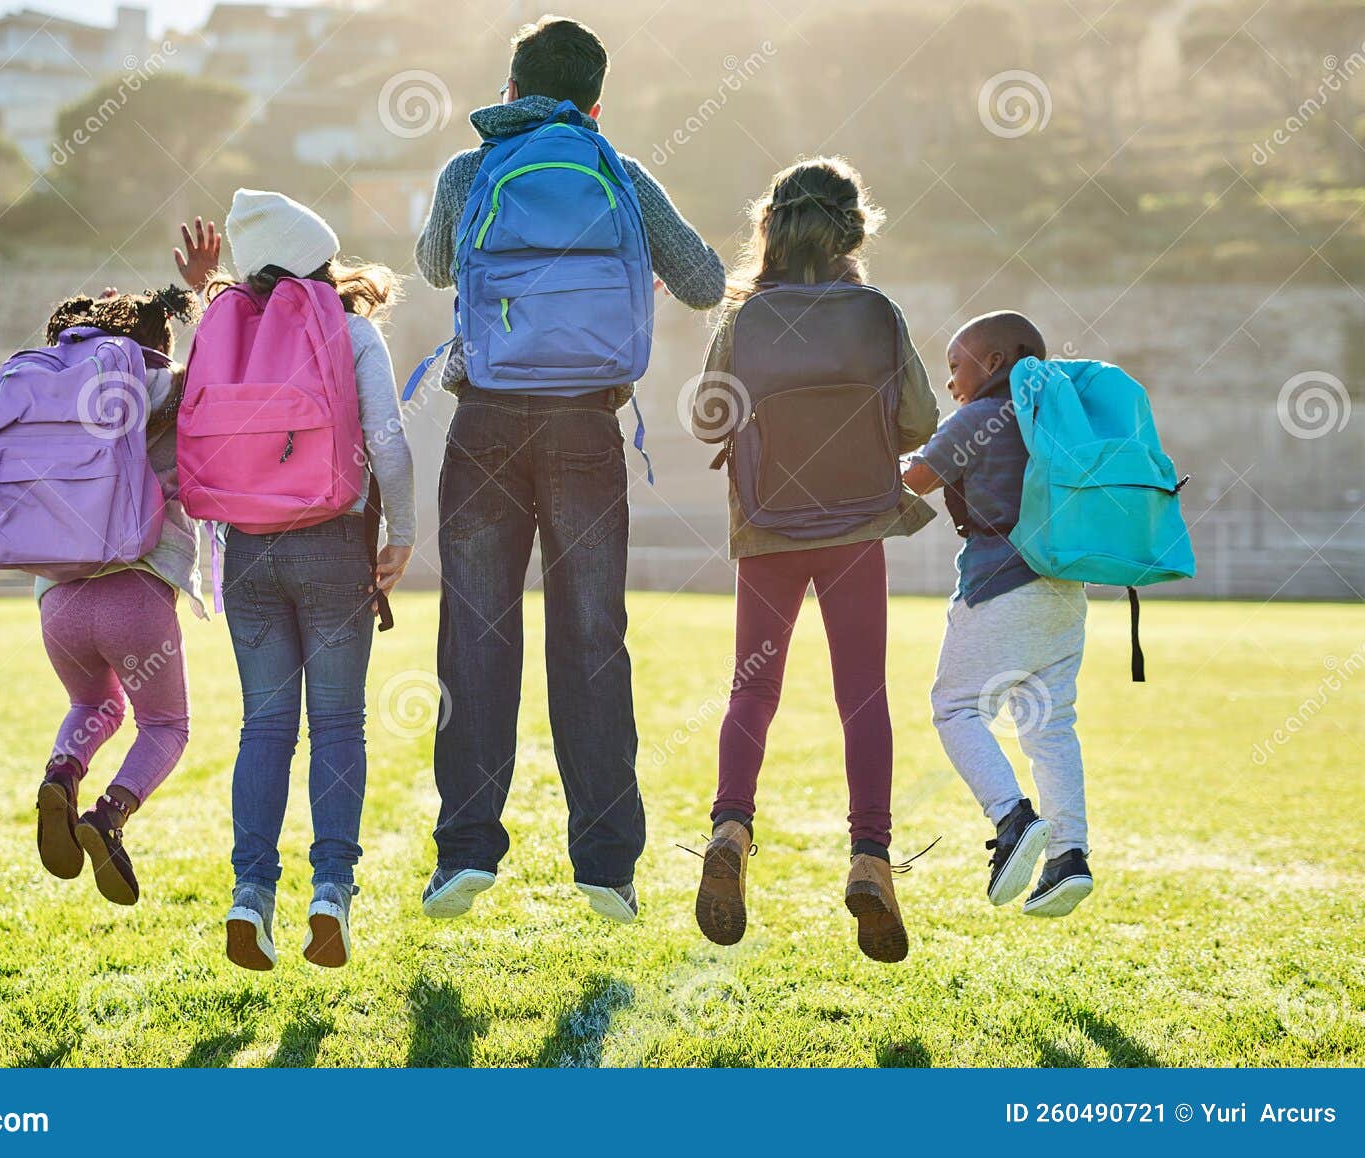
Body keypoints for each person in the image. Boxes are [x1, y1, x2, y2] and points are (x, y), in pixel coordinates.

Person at [412, 15, 725, 924]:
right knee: (592, 639)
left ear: (509, 90)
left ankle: (466, 853)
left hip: (486, 425)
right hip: (587, 428)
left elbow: (435, 268)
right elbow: (704, 282)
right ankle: (605, 866)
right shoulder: (621, 172)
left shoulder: (470, 171)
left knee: (474, 638)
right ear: (596, 101)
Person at [687, 157, 939, 962]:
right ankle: (870, 855)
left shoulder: (746, 319)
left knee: (752, 689)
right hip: (857, 527)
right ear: (853, 229)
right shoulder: (877, 314)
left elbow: (707, 420)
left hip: (767, 527)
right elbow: (917, 422)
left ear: (770, 227)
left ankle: (731, 826)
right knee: (862, 696)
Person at [175, 196, 416, 969]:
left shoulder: (226, 326)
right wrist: (403, 534)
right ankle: (330, 892)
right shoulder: (349, 329)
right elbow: (391, 446)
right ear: (323, 251)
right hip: (332, 545)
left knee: (264, 731)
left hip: (246, 554)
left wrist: (201, 290)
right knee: (340, 726)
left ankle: (251, 896)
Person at [902, 311, 1094, 918]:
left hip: (1000, 586)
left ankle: (1012, 817)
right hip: (1065, 594)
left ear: (993, 363)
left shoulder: (982, 416)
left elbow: (917, 479)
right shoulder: (1052, 420)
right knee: (1050, 726)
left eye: (956, 366)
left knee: (955, 708)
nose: (951, 382)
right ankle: (1069, 855)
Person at [34, 285, 203, 906]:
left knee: (96, 705)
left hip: (57, 600)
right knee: (166, 724)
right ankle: (108, 816)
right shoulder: (158, 382)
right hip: (135, 591)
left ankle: (61, 774)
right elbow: (216, 363)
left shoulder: (56, 388)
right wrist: (197, 294)